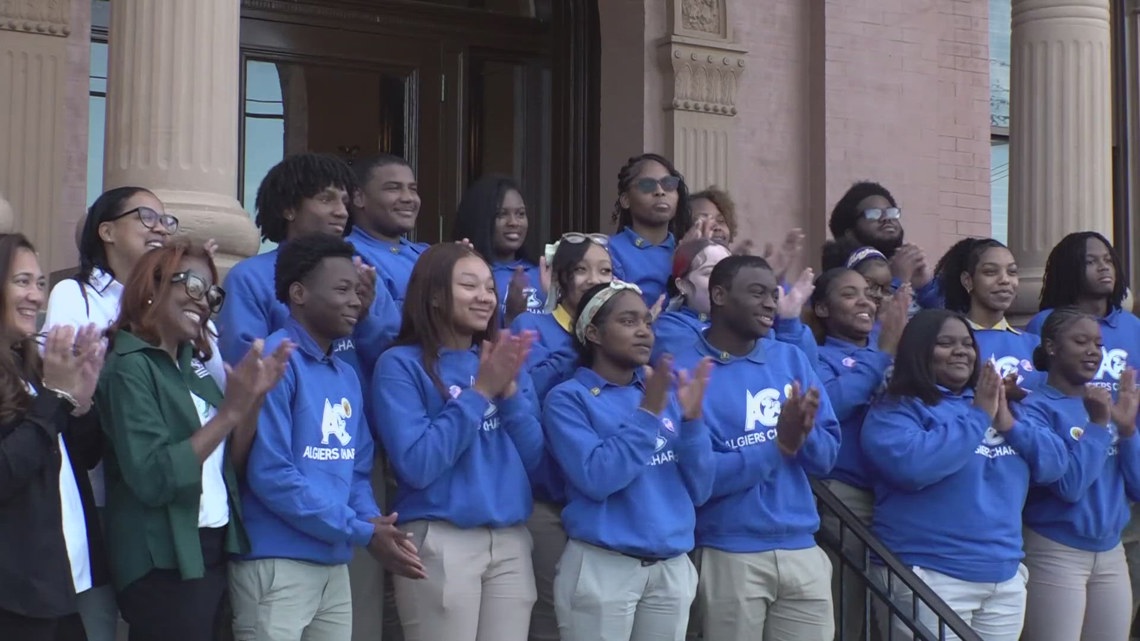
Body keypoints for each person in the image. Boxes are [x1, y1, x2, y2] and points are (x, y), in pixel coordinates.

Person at [230, 234, 425, 641]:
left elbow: (355, 472)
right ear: (298, 293)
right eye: (342, 289)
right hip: (277, 560)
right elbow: (271, 475)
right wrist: (362, 530)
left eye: (357, 290)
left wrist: (371, 520)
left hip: (333, 561)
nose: (356, 300)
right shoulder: (274, 363)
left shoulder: (346, 374)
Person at [95, 241, 291, 641]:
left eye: (211, 294)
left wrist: (251, 401)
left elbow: (228, 465)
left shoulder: (195, 367)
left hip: (211, 549)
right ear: (153, 285)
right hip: (161, 561)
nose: (204, 303)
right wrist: (229, 414)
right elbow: (153, 477)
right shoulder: (129, 367)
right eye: (194, 286)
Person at [370, 243, 545, 641]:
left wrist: (511, 391)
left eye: (488, 286)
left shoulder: (502, 358)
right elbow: (417, 464)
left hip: (509, 538)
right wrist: (480, 392)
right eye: (469, 285)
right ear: (433, 294)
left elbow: (534, 459)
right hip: (440, 536)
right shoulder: (399, 365)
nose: (484, 296)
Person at [861, 309, 1069, 641]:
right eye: (945, 343)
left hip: (1003, 575)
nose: (961, 351)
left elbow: (1056, 465)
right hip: (929, 573)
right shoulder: (895, 409)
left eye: (967, 343)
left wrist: (1009, 424)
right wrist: (978, 417)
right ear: (918, 350)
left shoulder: (998, 405)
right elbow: (914, 468)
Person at [41, 187, 190, 641]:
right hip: (99, 495)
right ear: (106, 230)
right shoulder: (76, 292)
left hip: (163, 499)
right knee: (97, 624)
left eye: (167, 221)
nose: (159, 228)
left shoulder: (174, 298)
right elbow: (58, 377)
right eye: (146, 216)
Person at [669, 255, 841, 641]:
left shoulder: (790, 358)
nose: (770, 303)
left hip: (803, 550)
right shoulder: (685, 372)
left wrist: (803, 436)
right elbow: (702, 481)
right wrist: (779, 445)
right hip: (729, 552)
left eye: (774, 294)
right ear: (719, 295)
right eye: (757, 292)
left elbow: (827, 458)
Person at [543, 280, 715, 641]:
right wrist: (648, 414)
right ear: (593, 332)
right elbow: (597, 477)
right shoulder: (568, 399)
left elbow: (700, 489)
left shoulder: (662, 391)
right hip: (603, 566)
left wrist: (694, 421)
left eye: (648, 323)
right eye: (627, 321)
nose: (643, 332)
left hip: (670, 566)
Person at [0, 233, 105, 641]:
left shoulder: (28, 364)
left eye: (41, 284)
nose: (36, 297)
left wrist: (79, 402)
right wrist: (55, 396)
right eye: (22, 281)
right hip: (14, 595)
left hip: (56, 584)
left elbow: (82, 456)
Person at [508, 232, 612, 641]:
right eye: (582, 269)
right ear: (560, 278)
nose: (594, 279)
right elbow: (523, 393)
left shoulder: (623, 329)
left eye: (605, 270)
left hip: (599, 496)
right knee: (552, 615)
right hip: (546, 493)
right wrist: (579, 342)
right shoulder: (530, 325)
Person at [218, 153, 399, 383]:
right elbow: (244, 368)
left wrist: (366, 318)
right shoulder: (248, 278)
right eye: (326, 199)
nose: (341, 212)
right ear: (289, 209)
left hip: (357, 416)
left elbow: (393, 366)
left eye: (344, 202)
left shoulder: (364, 274)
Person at [1019, 307, 1140, 641]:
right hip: (1056, 550)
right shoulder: (1036, 408)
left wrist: (1128, 430)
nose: (1093, 351)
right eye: (1081, 341)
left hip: (1111, 551)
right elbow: (1070, 486)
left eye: (1099, 344)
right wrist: (1099, 426)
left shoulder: (1107, 403)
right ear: (1052, 346)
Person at [808, 267, 910, 641]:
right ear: (821, 308)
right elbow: (831, 404)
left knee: (890, 615)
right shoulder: (816, 357)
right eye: (849, 294)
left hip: (895, 498)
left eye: (868, 293)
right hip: (845, 497)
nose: (865, 300)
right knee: (848, 614)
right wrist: (883, 352)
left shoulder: (891, 351)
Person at [655, 238, 817, 363]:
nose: (720, 281)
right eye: (709, 272)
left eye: (729, 274)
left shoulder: (749, 320)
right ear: (682, 284)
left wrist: (789, 321)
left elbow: (805, 376)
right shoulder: (669, 329)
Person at [936, 237, 1043, 393]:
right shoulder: (949, 344)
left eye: (1012, 272)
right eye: (990, 272)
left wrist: (1019, 395)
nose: (1005, 280)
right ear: (968, 280)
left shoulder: (1033, 344)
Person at [827, 181, 940, 310]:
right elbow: (868, 325)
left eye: (891, 212)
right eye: (874, 214)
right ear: (849, 233)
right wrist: (897, 281)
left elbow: (947, 323)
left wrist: (926, 287)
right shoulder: (836, 282)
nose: (886, 219)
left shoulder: (911, 271)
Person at [451, 175, 544, 324]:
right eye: (502, 214)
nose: (514, 223)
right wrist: (512, 318)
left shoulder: (543, 273)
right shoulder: (467, 275)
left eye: (520, 214)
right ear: (480, 218)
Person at [608, 153, 692, 308]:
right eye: (647, 185)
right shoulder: (608, 251)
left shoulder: (689, 250)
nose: (660, 191)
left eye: (669, 184)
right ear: (626, 200)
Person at [348, 154, 427, 306]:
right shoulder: (350, 255)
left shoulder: (425, 252)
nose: (408, 198)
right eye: (393, 188)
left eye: (413, 189)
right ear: (359, 197)